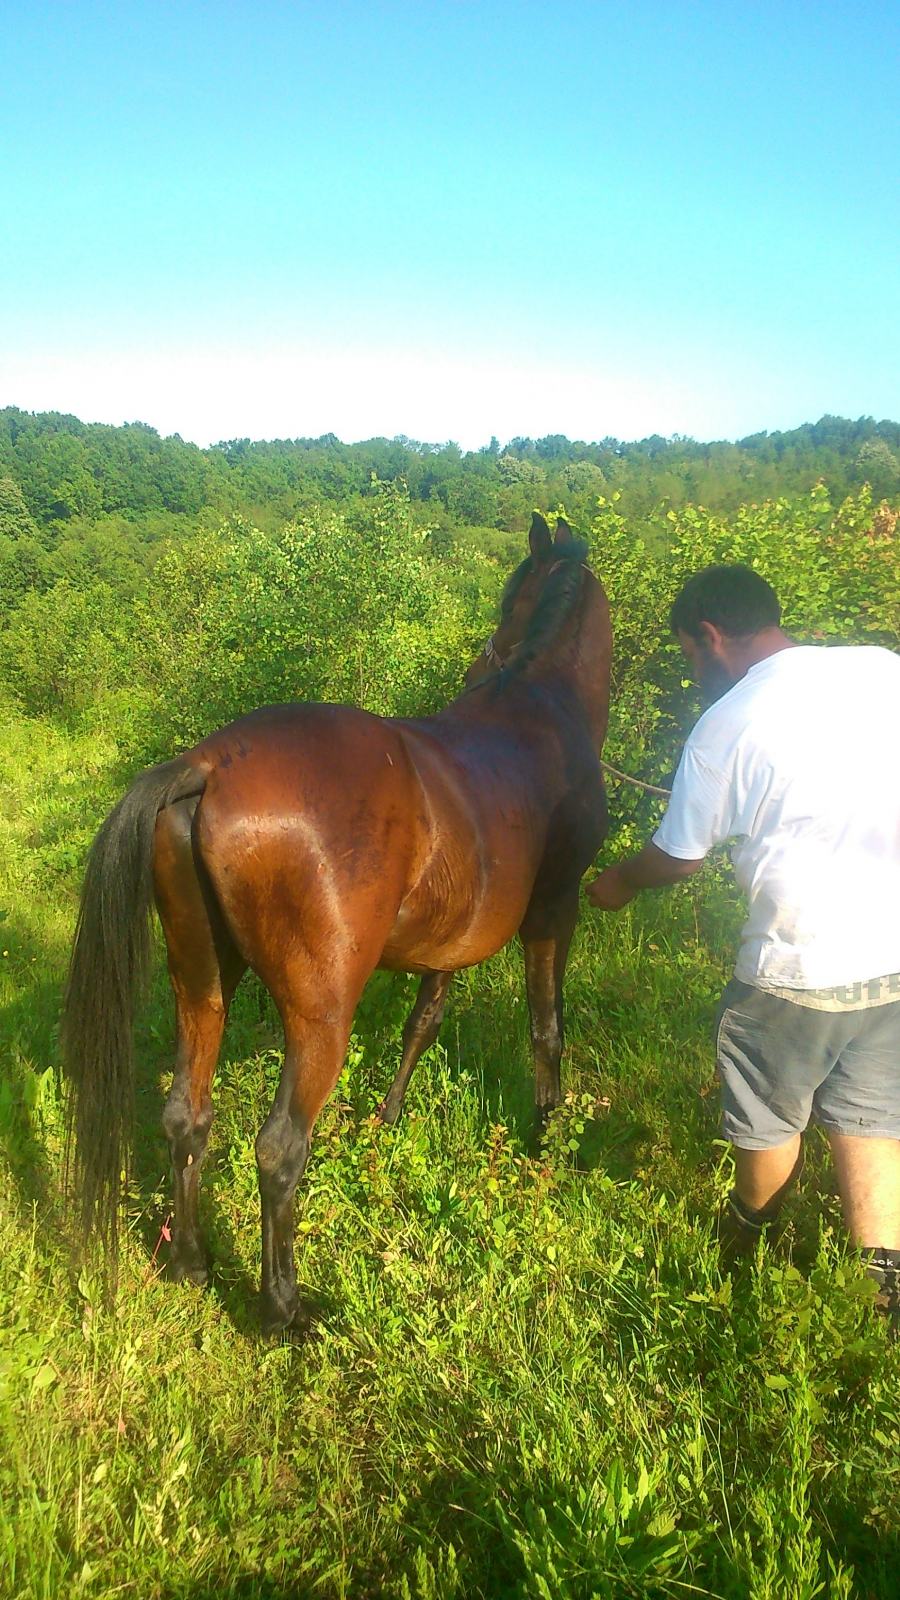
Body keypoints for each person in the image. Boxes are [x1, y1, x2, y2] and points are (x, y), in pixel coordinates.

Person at [586, 564, 900, 1316]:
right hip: (894, 956)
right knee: (871, 1122)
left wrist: (619, 882)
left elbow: (679, 857)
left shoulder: (727, 722)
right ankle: (882, 1294)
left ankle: (746, 1243)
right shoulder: (880, 670)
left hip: (795, 967)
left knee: (767, 1118)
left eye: (690, 654)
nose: (694, 671)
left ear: (711, 636)